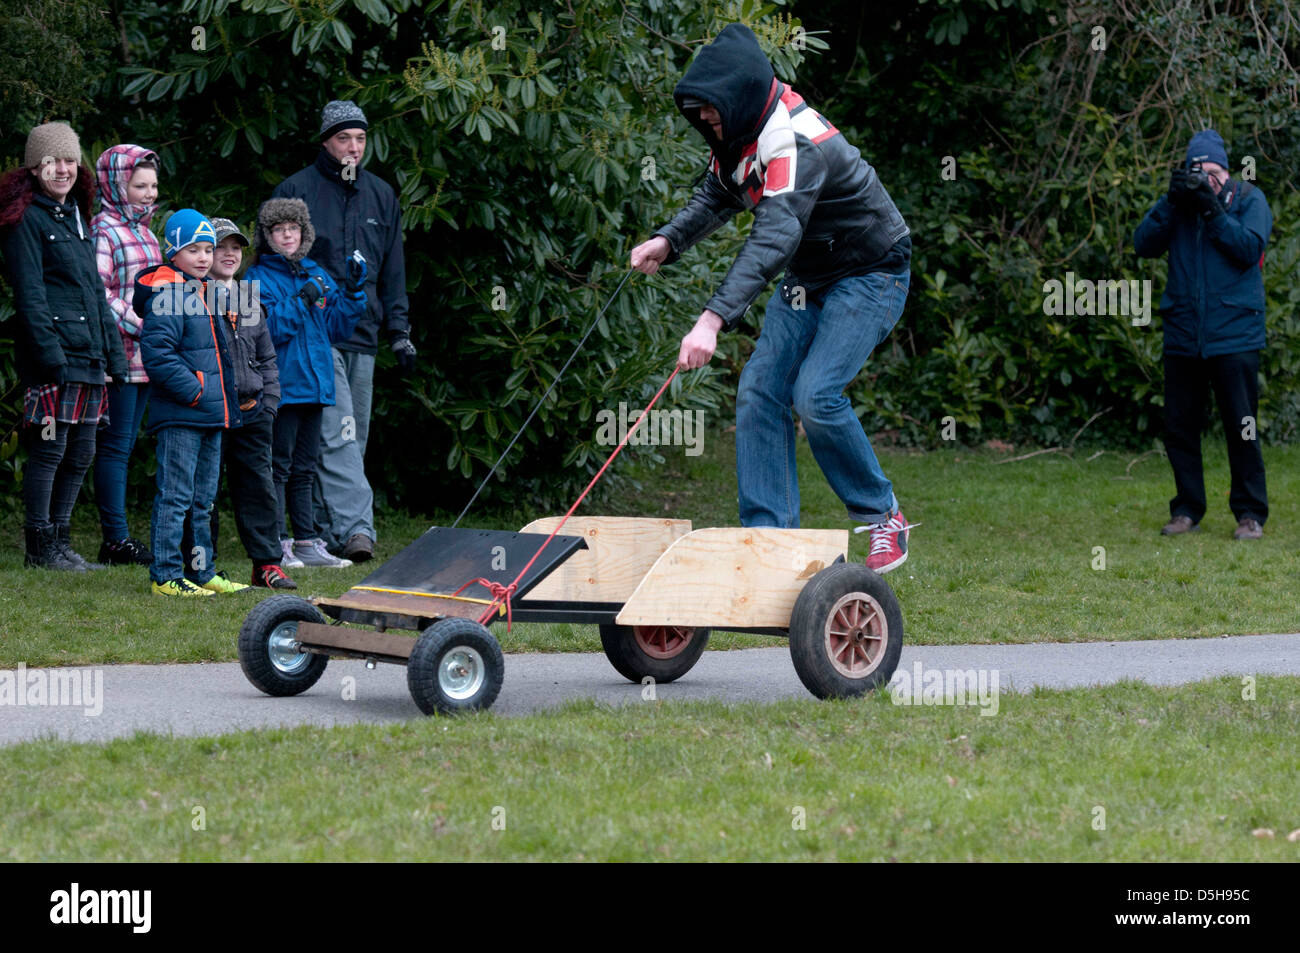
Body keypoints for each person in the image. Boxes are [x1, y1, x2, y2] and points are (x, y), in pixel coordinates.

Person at [629, 23, 915, 573]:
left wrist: (711, 320)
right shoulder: (741, 131)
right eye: (699, 113)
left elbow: (775, 235)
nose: (704, 120)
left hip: (871, 271)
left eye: (711, 111)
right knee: (761, 389)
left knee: (817, 394)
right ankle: (768, 542)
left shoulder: (794, 140)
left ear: (738, 97)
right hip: (812, 275)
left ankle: (884, 518)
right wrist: (668, 241)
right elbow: (719, 192)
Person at [272, 100, 413, 563]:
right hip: (314, 333)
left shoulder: (381, 194)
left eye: (360, 139)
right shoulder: (297, 189)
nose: (353, 148)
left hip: (366, 333)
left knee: (351, 437)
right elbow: (274, 258)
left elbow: (393, 269)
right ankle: (356, 531)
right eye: (343, 139)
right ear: (325, 142)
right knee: (338, 436)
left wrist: (400, 331)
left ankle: (319, 532)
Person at [0, 122, 127, 570]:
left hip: (89, 356)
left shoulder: (75, 216)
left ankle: (61, 542)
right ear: (35, 167)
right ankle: (40, 548)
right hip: (54, 359)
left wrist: (114, 355)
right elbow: (30, 295)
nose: (63, 168)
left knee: (83, 450)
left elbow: (94, 292)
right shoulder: (24, 220)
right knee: (51, 448)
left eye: (70, 159)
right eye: (52, 161)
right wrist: (52, 358)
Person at [1134, 129, 1273, 539]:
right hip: (1183, 336)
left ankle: (1250, 513)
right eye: (1197, 172)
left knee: (1242, 425)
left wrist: (1214, 211)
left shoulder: (1249, 200)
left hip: (1236, 336)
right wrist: (1169, 201)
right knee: (1179, 427)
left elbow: (1249, 250)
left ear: (1226, 172)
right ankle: (1187, 510)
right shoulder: (1178, 207)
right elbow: (1143, 244)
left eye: (1211, 172)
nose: (1204, 180)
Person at [244, 197, 366, 568]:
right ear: (267, 236)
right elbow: (268, 330)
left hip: (316, 387)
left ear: (304, 233)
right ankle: (279, 541)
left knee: (306, 467)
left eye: (293, 229)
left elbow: (336, 329)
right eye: (279, 230)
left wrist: (353, 291)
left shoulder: (315, 272)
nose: (287, 236)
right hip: (282, 386)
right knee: (277, 466)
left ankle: (307, 541)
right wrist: (303, 297)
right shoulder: (256, 277)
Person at [136, 209, 249, 596]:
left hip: (210, 415)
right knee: (176, 497)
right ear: (173, 253)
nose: (203, 257)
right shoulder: (168, 292)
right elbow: (158, 355)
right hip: (184, 415)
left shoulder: (203, 292)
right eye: (193, 250)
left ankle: (202, 572)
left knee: (203, 501)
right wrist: (198, 392)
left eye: (207, 249)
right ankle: (166, 575)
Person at [181, 217, 296, 590]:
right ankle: (201, 567)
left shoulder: (248, 299)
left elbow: (267, 358)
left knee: (259, 489)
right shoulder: (191, 297)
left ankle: (266, 565)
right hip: (211, 410)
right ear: (204, 254)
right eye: (219, 246)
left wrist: (271, 402)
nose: (229, 254)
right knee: (204, 492)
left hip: (253, 410)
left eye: (236, 247)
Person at [91, 144, 163, 566]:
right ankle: (115, 539)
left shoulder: (147, 232)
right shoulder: (105, 229)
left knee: (127, 444)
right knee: (115, 446)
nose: (149, 193)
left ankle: (119, 536)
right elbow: (100, 295)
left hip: (148, 357)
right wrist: (143, 326)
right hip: (119, 355)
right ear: (117, 184)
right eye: (140, 185)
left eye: (153, 185)